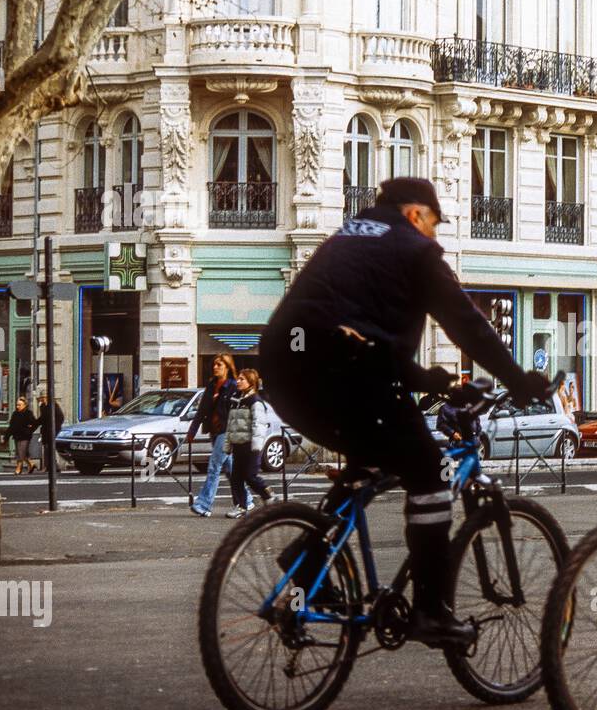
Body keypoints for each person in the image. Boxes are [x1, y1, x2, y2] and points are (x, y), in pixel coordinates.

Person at [260, 176, 551, 647]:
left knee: (371, 456)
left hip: (283, 367)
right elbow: (467, 323)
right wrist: (518, 380)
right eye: (434, 223)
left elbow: (361, 334)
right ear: (416, 214)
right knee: (430, 474)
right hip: (345, 372)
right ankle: (430, 613)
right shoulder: (415, 249)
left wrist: (432, 382)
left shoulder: (348, 235)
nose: (434, 234)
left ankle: (308, 561)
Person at [185, 354, 251, 518]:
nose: (215, 367)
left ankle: (204, 504)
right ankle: (247, 500)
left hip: (227, 432)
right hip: (214, 432)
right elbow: (201, 411)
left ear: (228, 368)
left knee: (214, 467)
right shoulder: (211, 385)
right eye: (214, 364)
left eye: (219, 365)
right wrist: (192, 431)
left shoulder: (233, 386)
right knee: (231, 470)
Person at [224, 368, 274, 518]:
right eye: (238, 378)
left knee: (250, 476)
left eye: (242, 379)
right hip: (238, 445)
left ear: (251, 383)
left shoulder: (255, 402)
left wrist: (256, 446)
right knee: (236, 478)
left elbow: (259, 425)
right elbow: (230, 425)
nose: (238, 381)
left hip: (251, 446)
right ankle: (240, 506)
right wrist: (228, 444)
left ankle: (269, 496)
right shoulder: (236, 400)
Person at [1, 397, 39, 474]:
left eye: (19, 405)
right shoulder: (15, 414)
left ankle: (18, 468)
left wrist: (30, 431)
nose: (17, 406)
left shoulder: (28, 413)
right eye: (17, 405)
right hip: (17, 436)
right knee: (21, 452)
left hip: (25, 436)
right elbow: (11, 426)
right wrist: (6, 437)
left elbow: (35, 423)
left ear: (25, 405)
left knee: (20, 453)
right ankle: (31, 464)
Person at [36, 392, 65, 473]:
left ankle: (52, 466)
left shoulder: (54, 406)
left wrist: (55, 427)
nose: (42, 399)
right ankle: (50, 466)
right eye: (41, 398)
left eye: (43, 398)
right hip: (45, 430)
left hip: (53, 430)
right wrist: (34, 424)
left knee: (50, 448)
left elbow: (61, 417)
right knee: (46, 448)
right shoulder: (42, 406)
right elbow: (42, 418)